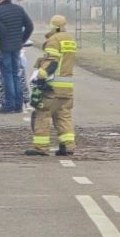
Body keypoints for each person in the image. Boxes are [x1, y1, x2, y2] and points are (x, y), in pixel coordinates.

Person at [26, 15, 77, 157]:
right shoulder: (70, 39)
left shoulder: (54, 40)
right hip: (67, 88)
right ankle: (68, 146)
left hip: (52, 87)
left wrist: (39, 76)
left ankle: (40, 147)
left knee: (42, 115)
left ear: (52, 26)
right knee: (63, 116)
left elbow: (52, 62)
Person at [0, 0, 33, 113]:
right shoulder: (19, 9)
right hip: (16, 48)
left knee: (7, 76)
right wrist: (22, 40)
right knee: (16, 74)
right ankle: (18, 105)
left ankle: (9, 104)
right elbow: (30, 26)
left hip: (4, 48)